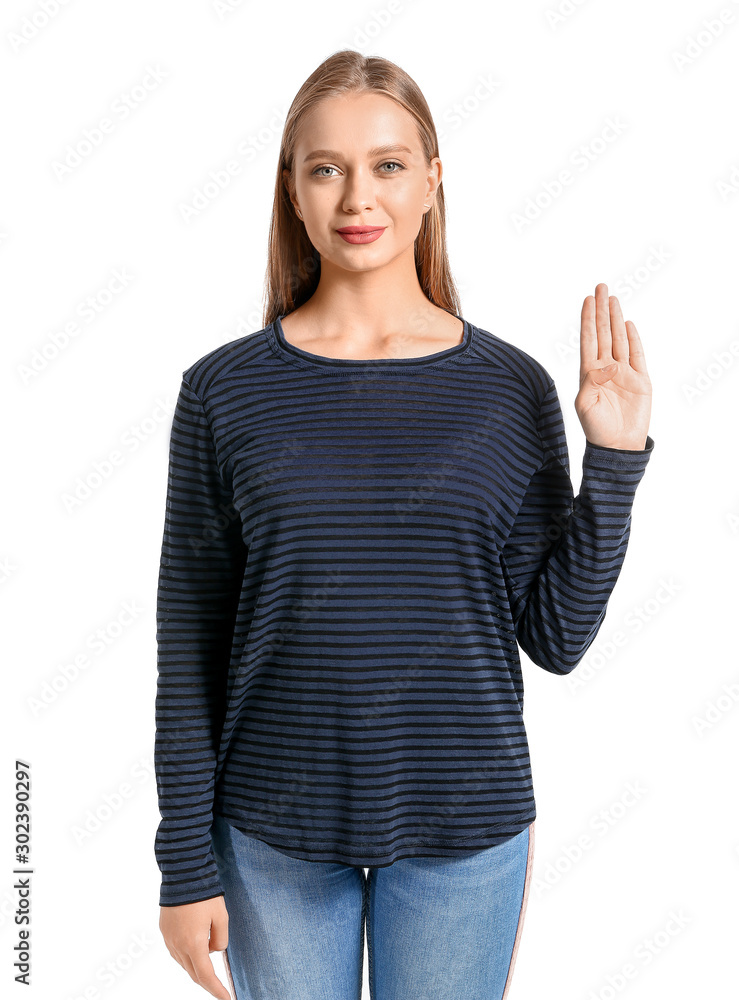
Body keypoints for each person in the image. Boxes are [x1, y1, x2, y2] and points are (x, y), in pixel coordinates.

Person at [155, 49, 654, 1000]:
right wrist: (184, 859)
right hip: (271, 832)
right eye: (325, 167)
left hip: (466, 828)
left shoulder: (510, 391)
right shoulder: (222, 393)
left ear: (432, 180)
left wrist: (616, 464)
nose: (357, 195)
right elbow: (190, 642)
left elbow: (553, 639)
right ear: (292, 192)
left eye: (387, 164)